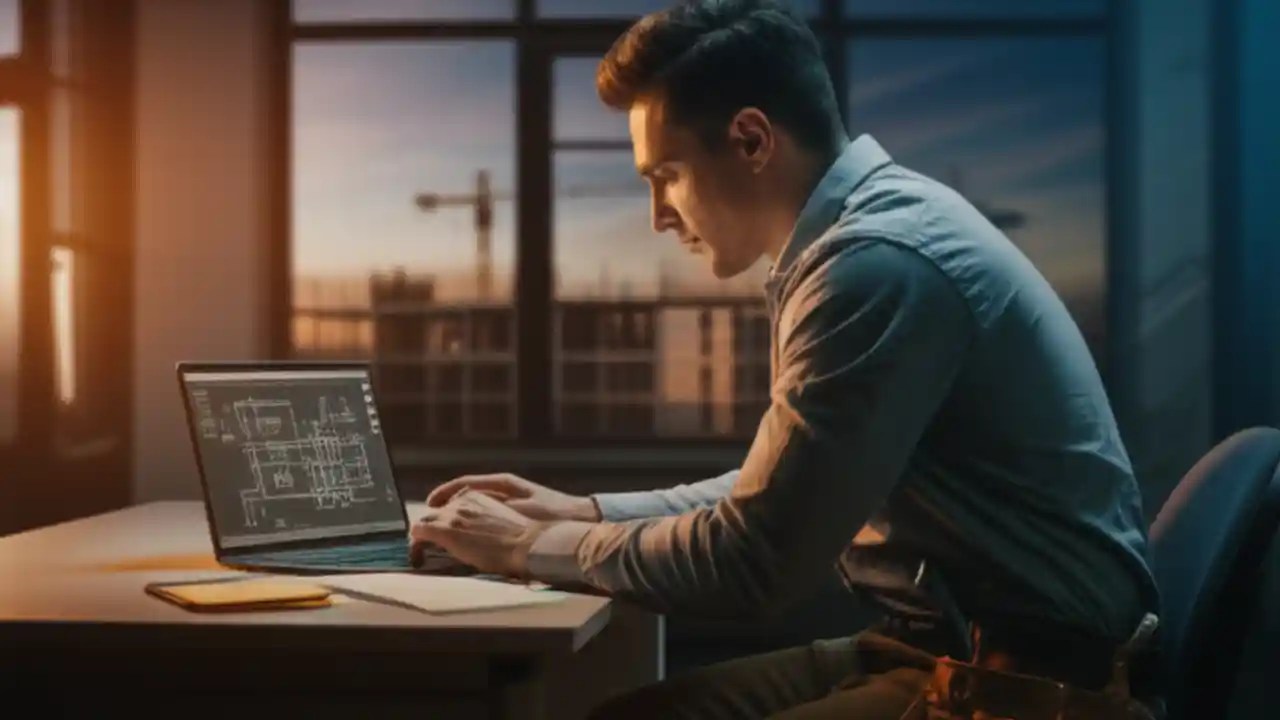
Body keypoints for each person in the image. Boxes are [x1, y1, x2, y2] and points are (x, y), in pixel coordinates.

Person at [409, 1, 1164, 717]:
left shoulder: (873, 267)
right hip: (941, 645)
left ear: (751, 140)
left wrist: (533, 546)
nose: (658, 215)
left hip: (1029, 687)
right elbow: (782, 495)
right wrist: (585, 513)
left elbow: (757, 561)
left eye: (665, 176)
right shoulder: (864, 236)